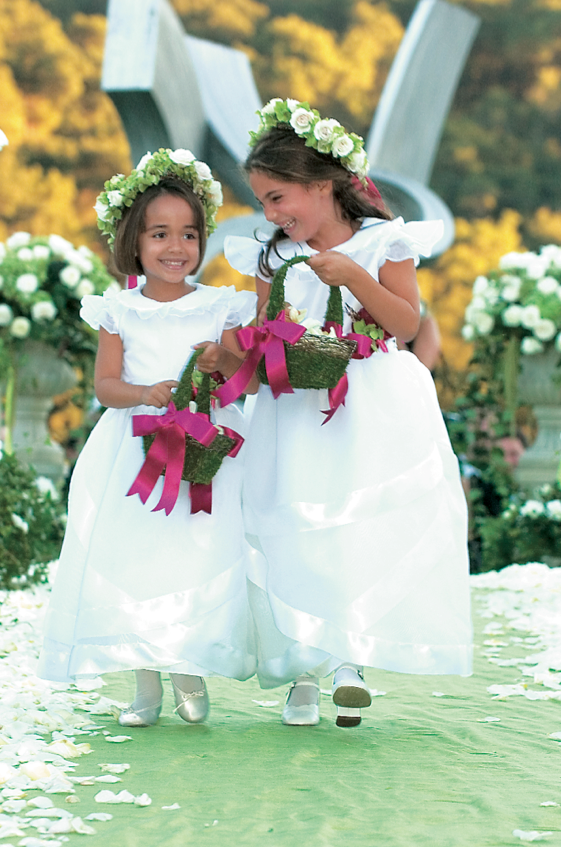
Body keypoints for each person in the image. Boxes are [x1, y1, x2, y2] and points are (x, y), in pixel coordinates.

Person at [224, 99, 473, 728]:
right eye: (264, 203)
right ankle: (300, 674)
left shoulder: (386, 241)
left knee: (354, 527)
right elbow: (264, 329)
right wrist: (243, 347)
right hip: (298, 406)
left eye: (279, 197)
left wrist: (354, 280)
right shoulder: (273, 256)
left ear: (322, 184)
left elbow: (407, 323)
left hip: (372, 404)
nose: (272, 214)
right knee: (298, 526)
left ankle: (349, 662)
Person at [38, 149, 257, 727]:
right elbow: (106, 386)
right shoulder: (119, 310)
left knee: (194, 553)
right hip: (135, 446)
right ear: (133, 241)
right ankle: (144, 682)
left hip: (204, 445)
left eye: (188, 234)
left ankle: (189, 665)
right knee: (135, 558)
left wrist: (216, 363)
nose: (175, 247)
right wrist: (145, 394)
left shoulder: (219, 305)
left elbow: (239, 378)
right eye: (159, 234)